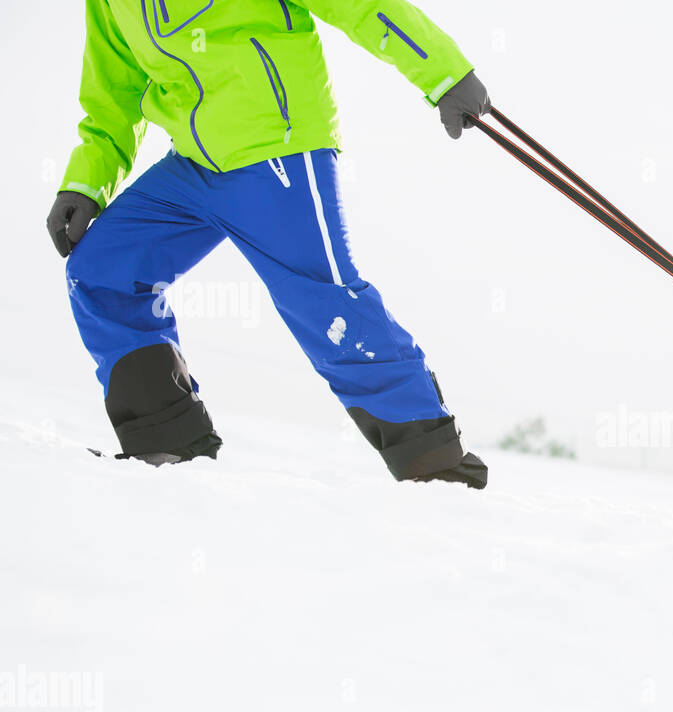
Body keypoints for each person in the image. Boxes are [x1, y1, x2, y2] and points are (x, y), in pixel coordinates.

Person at [46, 1, 492, 487]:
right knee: (101, 270)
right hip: (194, 164)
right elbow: (114, 94)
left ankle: (436, 464)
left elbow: (363, 6)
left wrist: (445, 73)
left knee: (325, 303)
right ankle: (168, 444)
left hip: (275, 143)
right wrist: (85, 182)